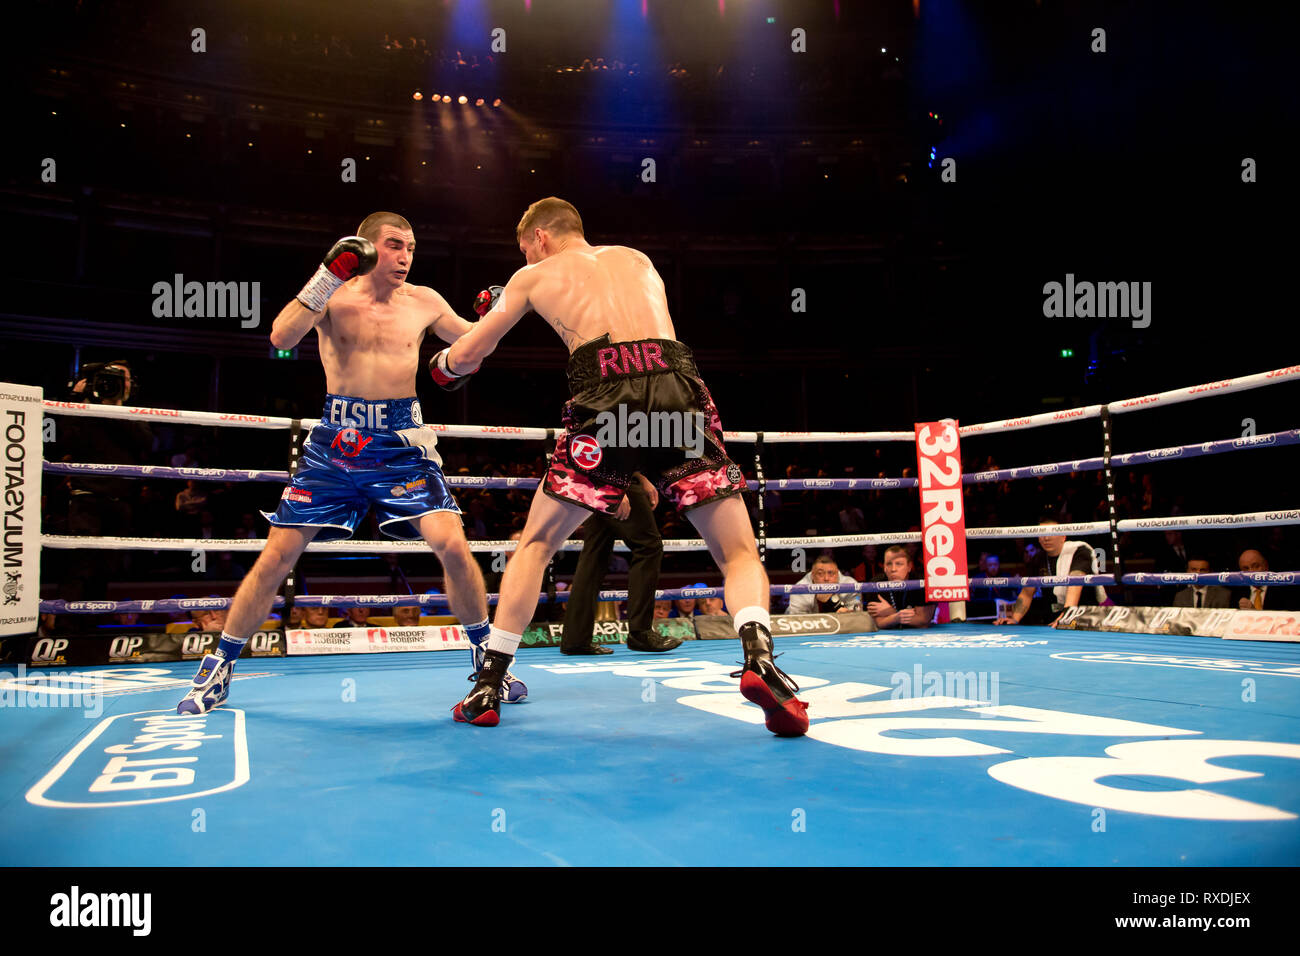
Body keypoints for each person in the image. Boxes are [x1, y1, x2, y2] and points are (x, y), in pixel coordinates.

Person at [433, 197, 808, 736]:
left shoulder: (532, 275)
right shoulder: (637, 259)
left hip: (605, 394)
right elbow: (652, 342)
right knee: (738, 549)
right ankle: (759, 660)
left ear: (539, 237)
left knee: (537, 544)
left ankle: (489, 684)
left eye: (524, 248)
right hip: (677, 385)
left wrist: (443, 365)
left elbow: (468, 356)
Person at [177, 212, 524, 714]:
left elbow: (472, 346)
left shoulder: (425, 300)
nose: (404, 256)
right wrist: (327, 275)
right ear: (364, 247)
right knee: (277, 555)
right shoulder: (334, 294)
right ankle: (220, 666)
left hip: (402, 441)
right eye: (393, 245)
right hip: (334, 443)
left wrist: (497, 313)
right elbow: (280, 337)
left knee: (451, 543)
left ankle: (488, 661)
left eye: (410, 246)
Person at [561, 473, 678, 654]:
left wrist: (643, 479)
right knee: (649, 547)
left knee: (594, 556)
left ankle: (576, 639)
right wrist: (615, 488)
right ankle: (641, 632)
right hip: (616, 480)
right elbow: (612, 446)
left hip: (596, 481)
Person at [996, 519, 1105, 627]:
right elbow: (1027, 593)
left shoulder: (1079, 551)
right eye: (1042, 534)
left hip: (1084, 619)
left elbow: (1075, 584)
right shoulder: (1038, 558)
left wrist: (1066, 618)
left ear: (1063, 536)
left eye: (1051, 533)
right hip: (1053, 620)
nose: (1046, 538)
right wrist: (1014, 619)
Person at [865, 546, 934, 628]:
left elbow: (923, 622)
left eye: (899, 564)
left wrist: (892, 612)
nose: (893, 569)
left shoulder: (920, 583)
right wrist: (898, 617)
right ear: (884, 567)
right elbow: (879, 623)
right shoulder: (875, 584)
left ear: (909, 566)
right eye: (889, 564)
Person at [787, 554, 862, 614]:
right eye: (820, 574)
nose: (826, 578)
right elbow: (797, 621)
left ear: (837, 573)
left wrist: (847, 612)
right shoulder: (800, 589)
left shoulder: (851, 586)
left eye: (831, 573)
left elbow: (857, 613)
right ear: (812, 575)